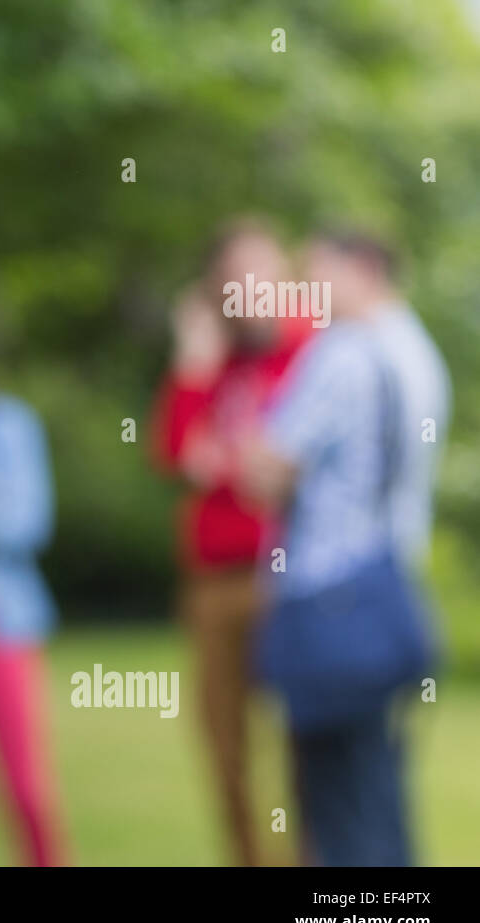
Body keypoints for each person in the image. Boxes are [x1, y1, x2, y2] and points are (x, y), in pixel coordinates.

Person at [243, 230, 446, 866]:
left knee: (331, 793)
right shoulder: (418, 352)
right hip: (389, 587)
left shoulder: (345, 354)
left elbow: (267, 470)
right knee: (378, 784)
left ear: (361, 269)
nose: (308, 294)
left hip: (330, 592)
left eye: (316, 274)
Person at [150, 218, 312, 866]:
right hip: (212, 579)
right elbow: (175, 454)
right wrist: (192, 360)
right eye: (236, 276)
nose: (251, 289)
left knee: (305, 738)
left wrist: (226, 459)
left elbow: (276, 463)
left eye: (263, 272)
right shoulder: (212, 362)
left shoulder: (307, 351)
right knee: (223, 744)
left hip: (285, 576)